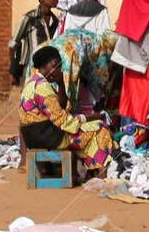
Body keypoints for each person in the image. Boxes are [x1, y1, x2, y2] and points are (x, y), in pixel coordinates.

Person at [18, 45, 115, 178]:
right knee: (99, 128)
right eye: (55, 66)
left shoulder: (32, 82)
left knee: (87, 127)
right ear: (44, 66)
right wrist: (95, 116)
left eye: (60, 66)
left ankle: (89, 171)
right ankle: (101, 173)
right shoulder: (42, 87)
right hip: (49, 138)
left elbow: (62, 107)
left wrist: (61, 83)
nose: (59, 70)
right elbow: (64, 121)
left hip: (34, 137)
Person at [10, 0, 64, 86]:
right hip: (31, 68)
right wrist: (13, 72)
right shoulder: (29, 18)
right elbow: (13, 45)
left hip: (49, 69)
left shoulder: (56, 21)